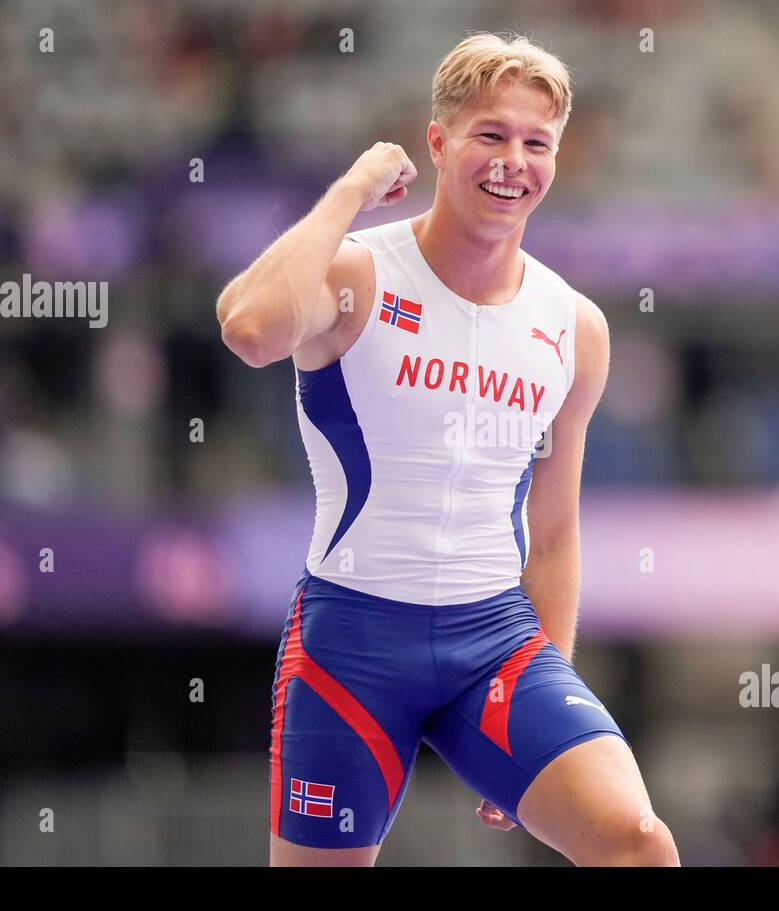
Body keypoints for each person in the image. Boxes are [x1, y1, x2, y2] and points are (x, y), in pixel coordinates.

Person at [217, 32, 679, 867]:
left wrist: (539, 706)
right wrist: (353, 191)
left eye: (536, 143)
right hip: (351, 643)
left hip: (494, 642)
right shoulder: (361, 275)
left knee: (637, 843)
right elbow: (250, 328)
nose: (513, 163)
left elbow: (556, 530)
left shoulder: (574, 327)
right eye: (491, 135)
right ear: (438, 143)